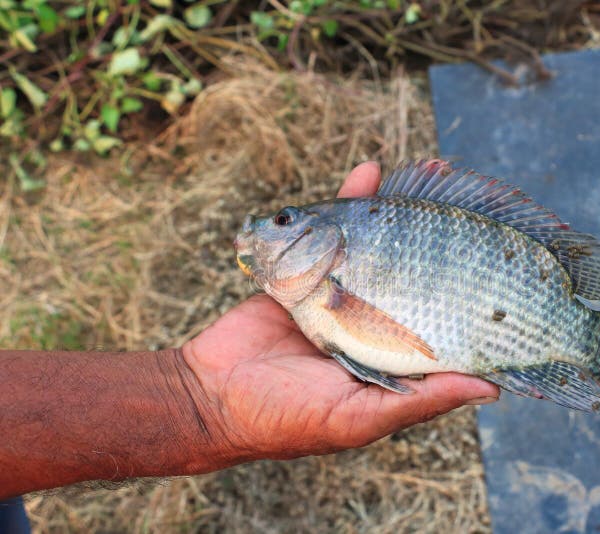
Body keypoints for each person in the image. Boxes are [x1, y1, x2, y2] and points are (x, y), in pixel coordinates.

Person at [0, 163, 499, 524]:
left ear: (330, 243)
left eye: (283, 221)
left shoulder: (331, 290)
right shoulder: (322, 292)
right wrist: (201, 402)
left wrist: (202, 400)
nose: (266, 229)